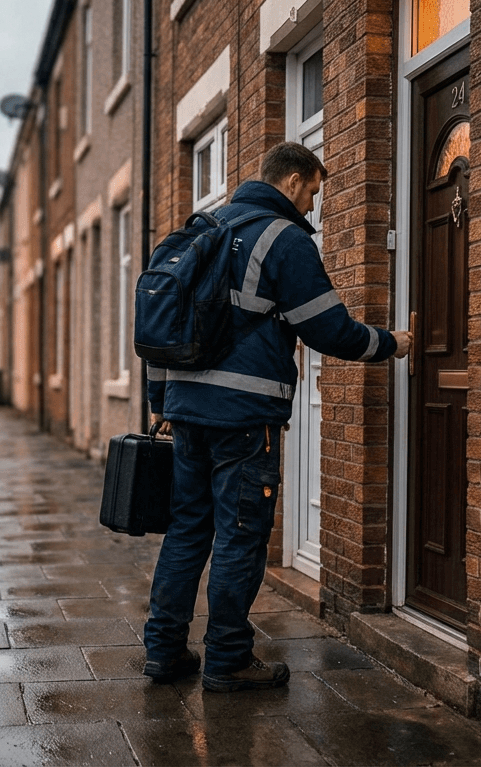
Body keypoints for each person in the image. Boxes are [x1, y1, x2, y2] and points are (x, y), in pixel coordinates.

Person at [143, 142, 412, 693]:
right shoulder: (283, 239)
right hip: (245, 419)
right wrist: (391, 343)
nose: (313, 204)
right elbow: (328, 329)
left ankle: (164, 652)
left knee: (188, 531)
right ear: (291, 181)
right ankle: (227, 660)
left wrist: (161, 402)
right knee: (241, 537)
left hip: (186, 412)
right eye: (314, 190)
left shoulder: (204, 227)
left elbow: (160, 329)